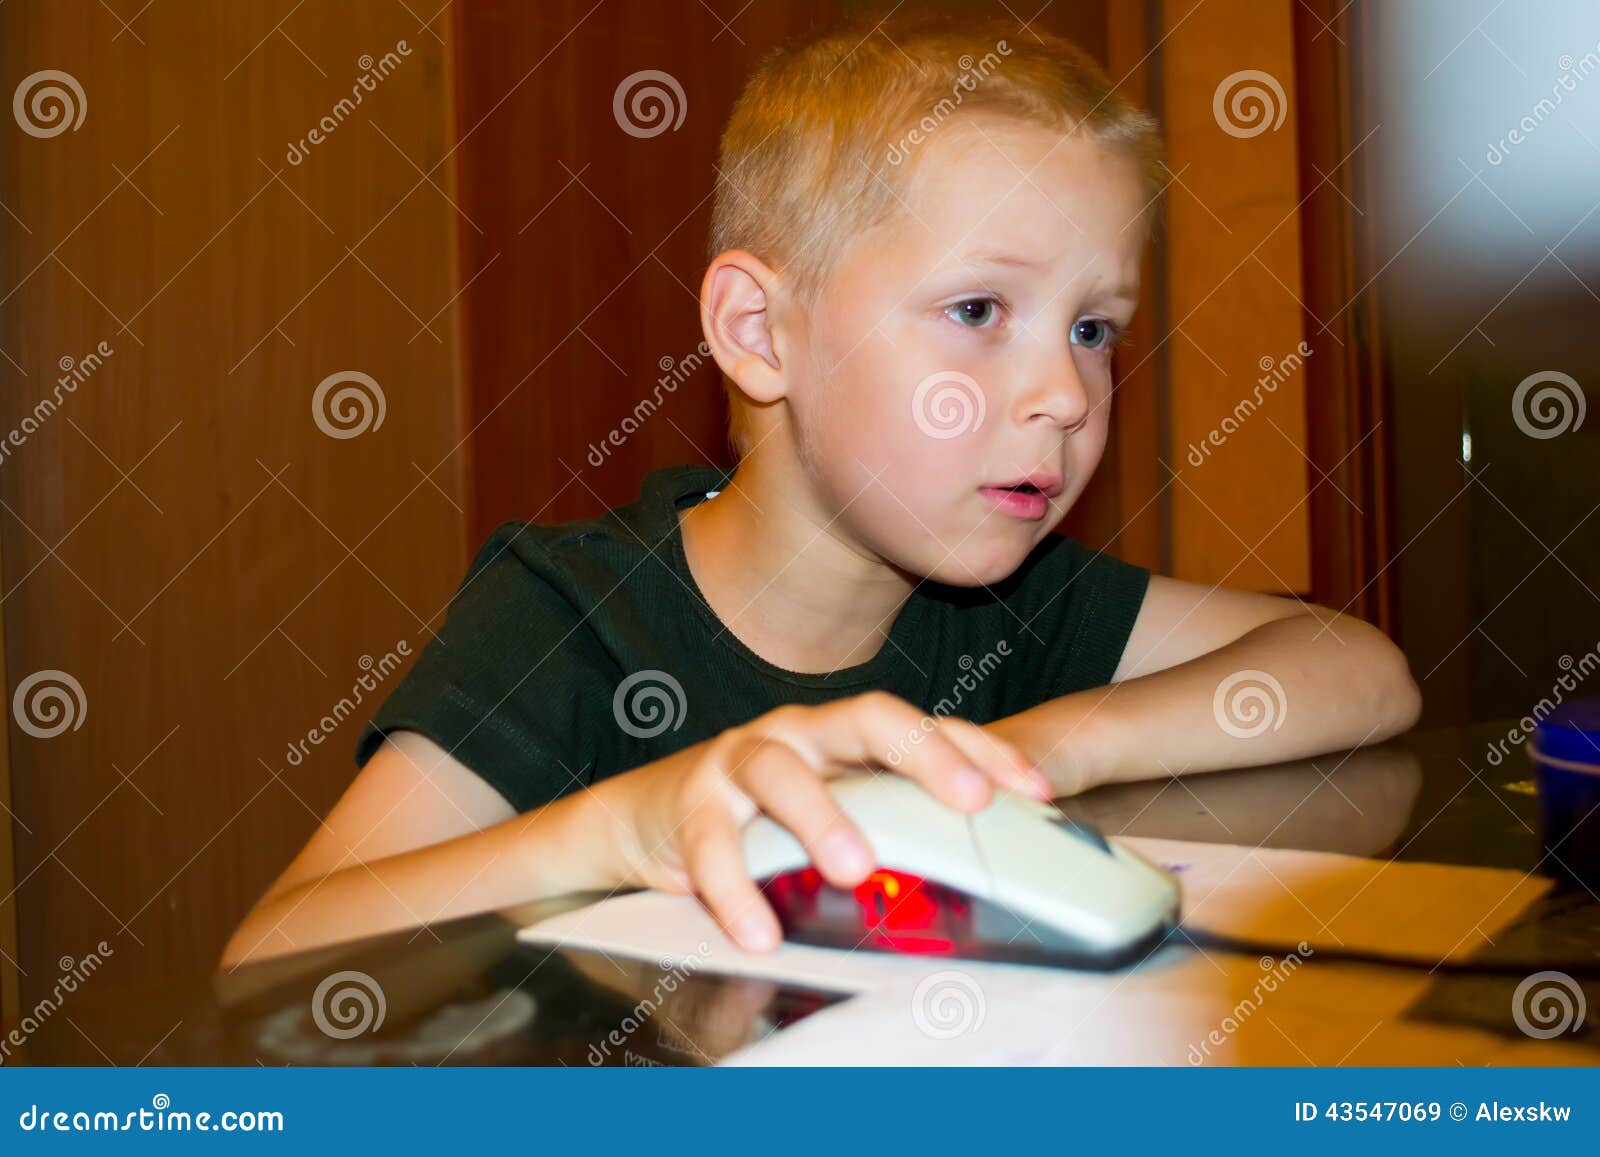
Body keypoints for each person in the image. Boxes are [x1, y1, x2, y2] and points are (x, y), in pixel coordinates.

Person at [220, 14, 1420, 970]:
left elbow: (1358, 667)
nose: (1064, 391)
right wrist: (629, 825)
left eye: (1095, 327)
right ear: (757, 331)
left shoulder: (1011, 600)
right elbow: (276, 949)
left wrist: (1022, 758)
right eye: (977, 311)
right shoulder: (575, 613)